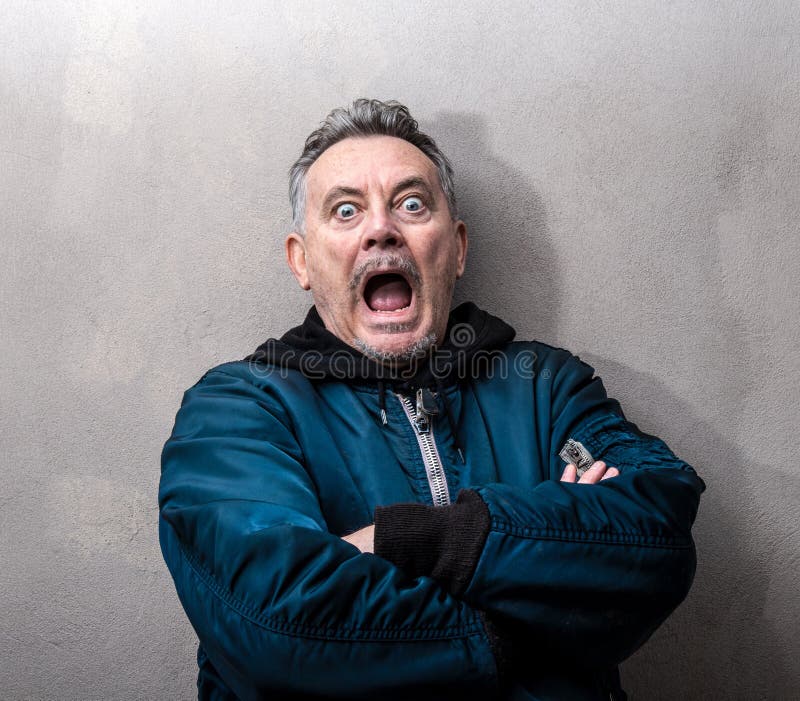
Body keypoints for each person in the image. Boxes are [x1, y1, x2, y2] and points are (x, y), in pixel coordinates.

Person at [158, 99, 704, 700]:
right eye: (346, 210)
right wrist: (545, 606)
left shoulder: (547, 387)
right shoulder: (236, 408)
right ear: (302, 260)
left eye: (412, 204)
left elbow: (655, 535)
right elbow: (281, 623)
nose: (381, 229)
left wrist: (402, 542)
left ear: (458, 247)